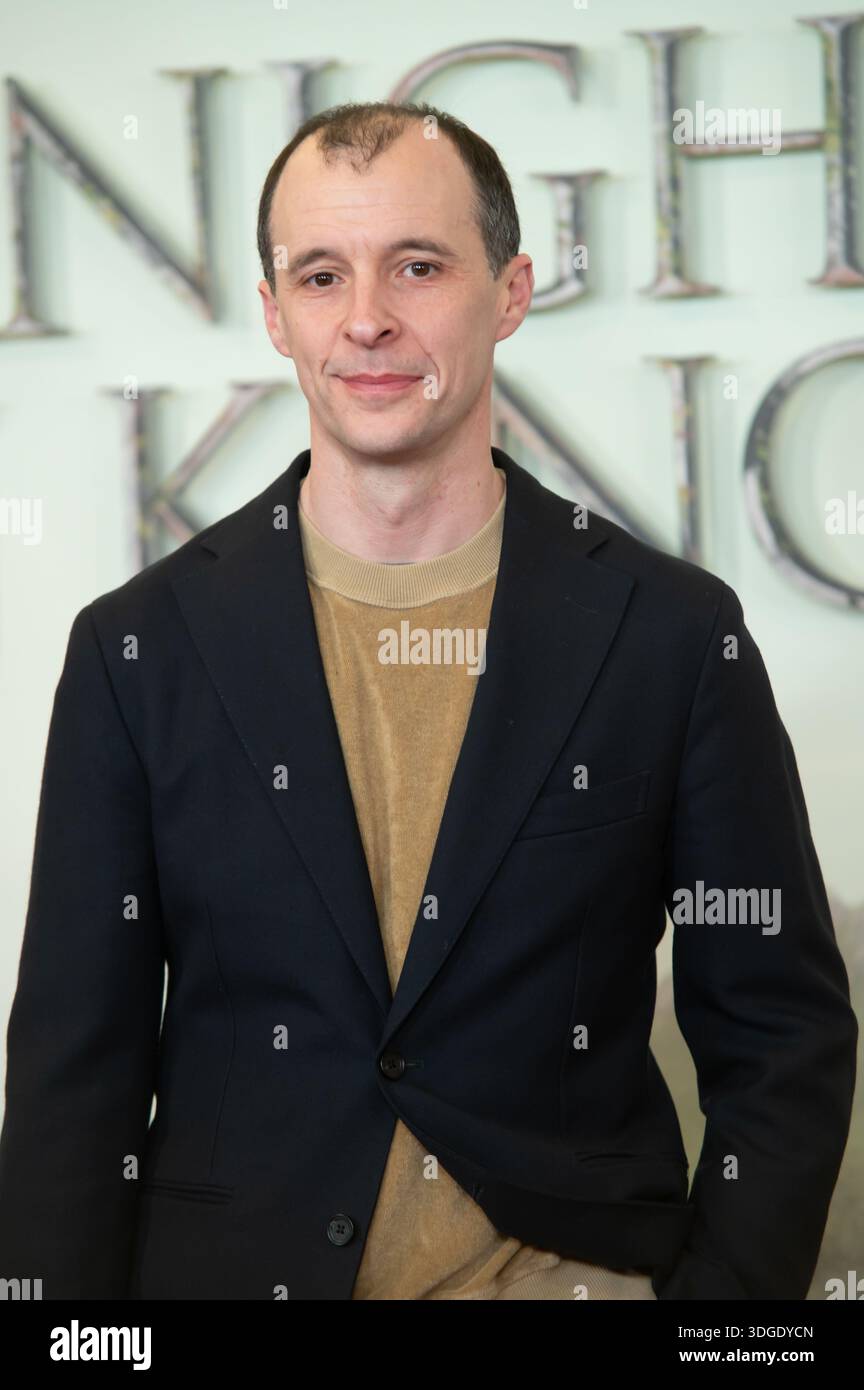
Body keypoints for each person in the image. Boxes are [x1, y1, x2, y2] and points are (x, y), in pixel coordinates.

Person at [0, 101, 856, 1301]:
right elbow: (71, 1082)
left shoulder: (671, 636)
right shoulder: (136, 650)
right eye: (320, 274)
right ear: (275, 316)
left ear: (508, 293)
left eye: (417, 265)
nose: (366, 320)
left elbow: (784, 1035)